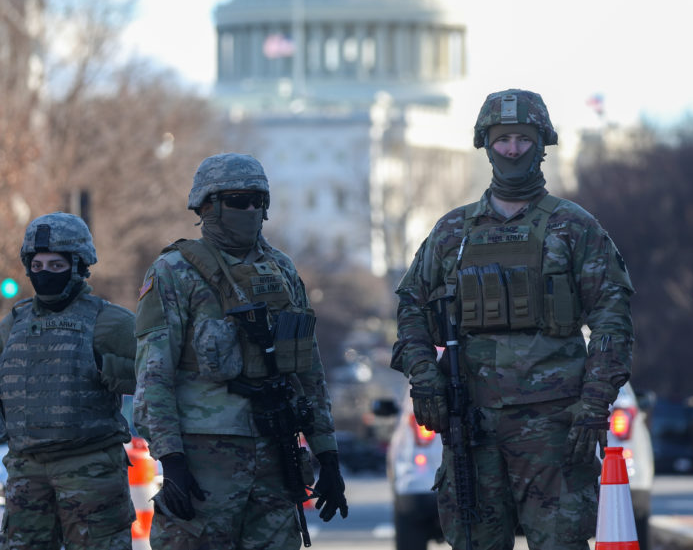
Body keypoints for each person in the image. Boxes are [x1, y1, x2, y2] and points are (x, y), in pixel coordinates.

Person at [391, 89, 634, 550]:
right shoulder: (452, 232)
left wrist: (594, 405)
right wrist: (424, 380)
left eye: (523, 137)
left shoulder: (574, 227)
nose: (513, 149)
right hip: (472, 422)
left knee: (561, 542)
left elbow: (612, 321)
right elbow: (411, 309)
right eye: (502, 138)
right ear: (486, 144)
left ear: (542, 143)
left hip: (554, 423)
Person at [133, 153, 348, 550]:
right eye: (237, 200)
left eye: (258, 201)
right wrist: (171, 459)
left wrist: (328, 454)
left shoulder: (281, 270)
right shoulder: (175, 272)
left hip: (275, 455)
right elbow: (153, 376)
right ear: (208, 206)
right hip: (204, 459)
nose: (250, 209)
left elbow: (308, 371)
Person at [0, 212, 138, 550]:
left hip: (90, 470)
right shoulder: (13, 323)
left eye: (56, 266)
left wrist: (104, 368)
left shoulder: (108, 321)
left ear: (78, 266)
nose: (45, 274)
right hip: (27, 470)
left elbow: (154, 372)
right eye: (38, 266)